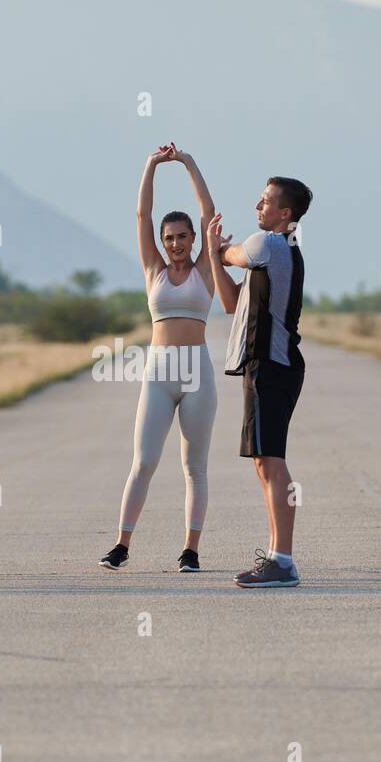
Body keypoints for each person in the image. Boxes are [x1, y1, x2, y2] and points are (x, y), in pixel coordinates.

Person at [99, 143, 218, 573]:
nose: (175, 244)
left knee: (194, 466)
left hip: (197, 371)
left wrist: (188, 162)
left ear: (192, 239)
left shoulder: (206, 268)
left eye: (182, 237)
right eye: (169, 238)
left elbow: (208, 213)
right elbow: (141, 217)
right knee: (144, 461)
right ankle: (121, 545)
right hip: (160, 370)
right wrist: (149, 165)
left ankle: (190, 550)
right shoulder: (155, 270)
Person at [206, 176, 313, 588]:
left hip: (273, 365)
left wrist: (217, 247)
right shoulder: (268, 256)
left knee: (272, 460)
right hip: (263, 367)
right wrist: (215, 255)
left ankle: (283, 560)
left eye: (266, 201)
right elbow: (232, 303)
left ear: (285, 214)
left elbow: (234, 254)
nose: (257, 205)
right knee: (263, 460)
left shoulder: (269, 245)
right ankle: (276, 555)